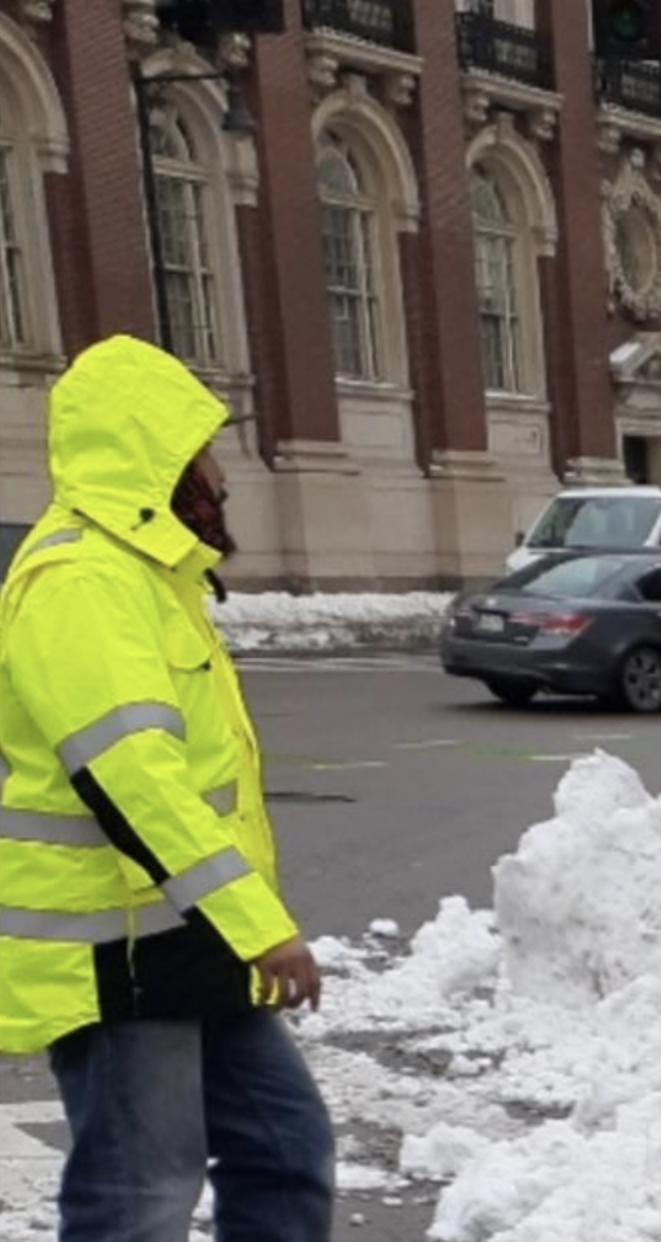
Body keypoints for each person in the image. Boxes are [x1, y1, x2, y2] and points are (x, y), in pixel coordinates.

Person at [0, 335, 335, 1242]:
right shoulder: (81, 579)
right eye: (204, 451)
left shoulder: (151, 577)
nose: (221, 475)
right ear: (155, 459)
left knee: (283, 1149)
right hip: (122, 950)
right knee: (138, 1201)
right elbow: (129, 776)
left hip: (188, 936)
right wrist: (259, 927)